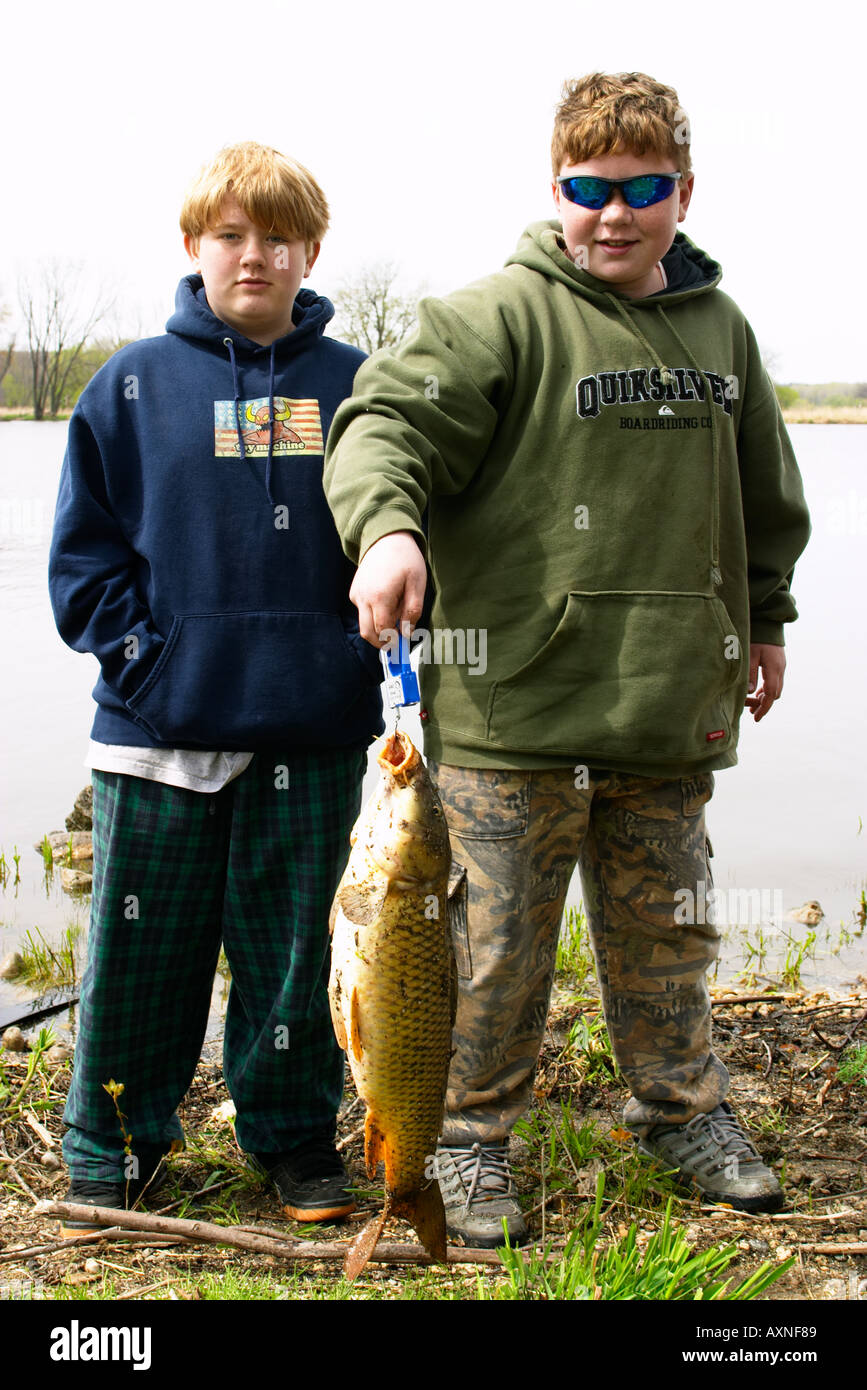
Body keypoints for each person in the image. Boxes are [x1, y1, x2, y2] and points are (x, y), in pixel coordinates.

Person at [323, 73, 811, 1246]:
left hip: (665, 705)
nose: (615, 213)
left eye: (643, 189)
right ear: (558, 189)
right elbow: (382, 423)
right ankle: (467, 1140)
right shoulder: (497, 315)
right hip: (510, 710)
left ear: (683, 193)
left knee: (672, 929)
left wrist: (765, 616)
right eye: (591, 189)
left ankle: (681, 1113)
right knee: (484, 949)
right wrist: (388, 527)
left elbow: (762, 494)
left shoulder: (722, 330)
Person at [48, 142, 382, 1234]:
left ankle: (290, 1140)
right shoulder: (133, 381)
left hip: (315, 731)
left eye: (278, 237)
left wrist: (343, 657)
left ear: (310, 252)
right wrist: (147, 661)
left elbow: (402, 527)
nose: (255, 255)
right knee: (143, 956)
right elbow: (84, 562)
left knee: (293, 963)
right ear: (194, 247)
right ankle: (114, 1141)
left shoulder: (355, 385)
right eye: (231, 235)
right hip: (159, 733)